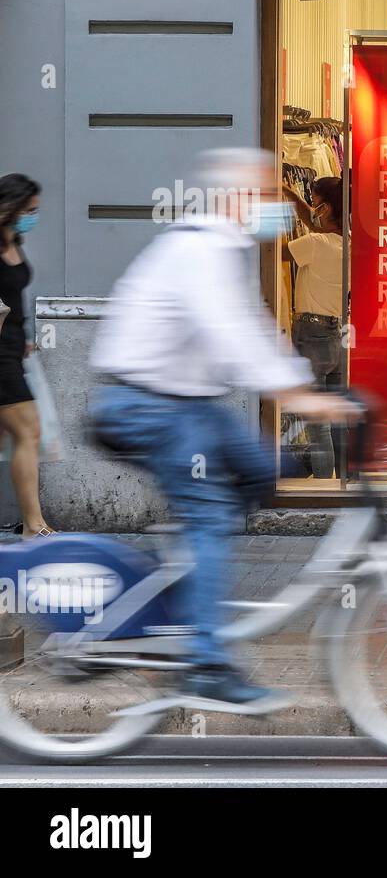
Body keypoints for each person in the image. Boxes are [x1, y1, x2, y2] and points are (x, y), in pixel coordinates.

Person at [89, 148, 356, 708]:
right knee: (211, 514)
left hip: (189, 404)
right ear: (236, 198)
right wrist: (298, 395)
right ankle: (206, 662)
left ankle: (187, 563)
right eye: (265, 195)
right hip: (149, 405)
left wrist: (298, 385)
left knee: (268, 467)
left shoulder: (224, 252)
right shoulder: (200, 250)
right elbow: (231, 333)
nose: (277, 206)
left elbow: (253, 331)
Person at [0, 174, 56, 538]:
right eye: (29, 210)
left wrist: (26, 337)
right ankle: (34, 527)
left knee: (17, 434)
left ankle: (34, 526)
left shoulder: (14, 241)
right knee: (28, 430)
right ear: (11, 207)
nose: (32, 217)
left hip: (13, 349)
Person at [282, 176, 345, 478]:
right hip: (336, 336)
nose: (312, 207)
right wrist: (291, 195)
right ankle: (345, 483)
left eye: (315, 201)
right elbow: (314, 225)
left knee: (318, 424)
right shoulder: (345, 243)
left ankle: (322, 488)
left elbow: (277, 253)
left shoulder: (314, 244)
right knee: (337, 421)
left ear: (326, 207)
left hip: (311, 336)